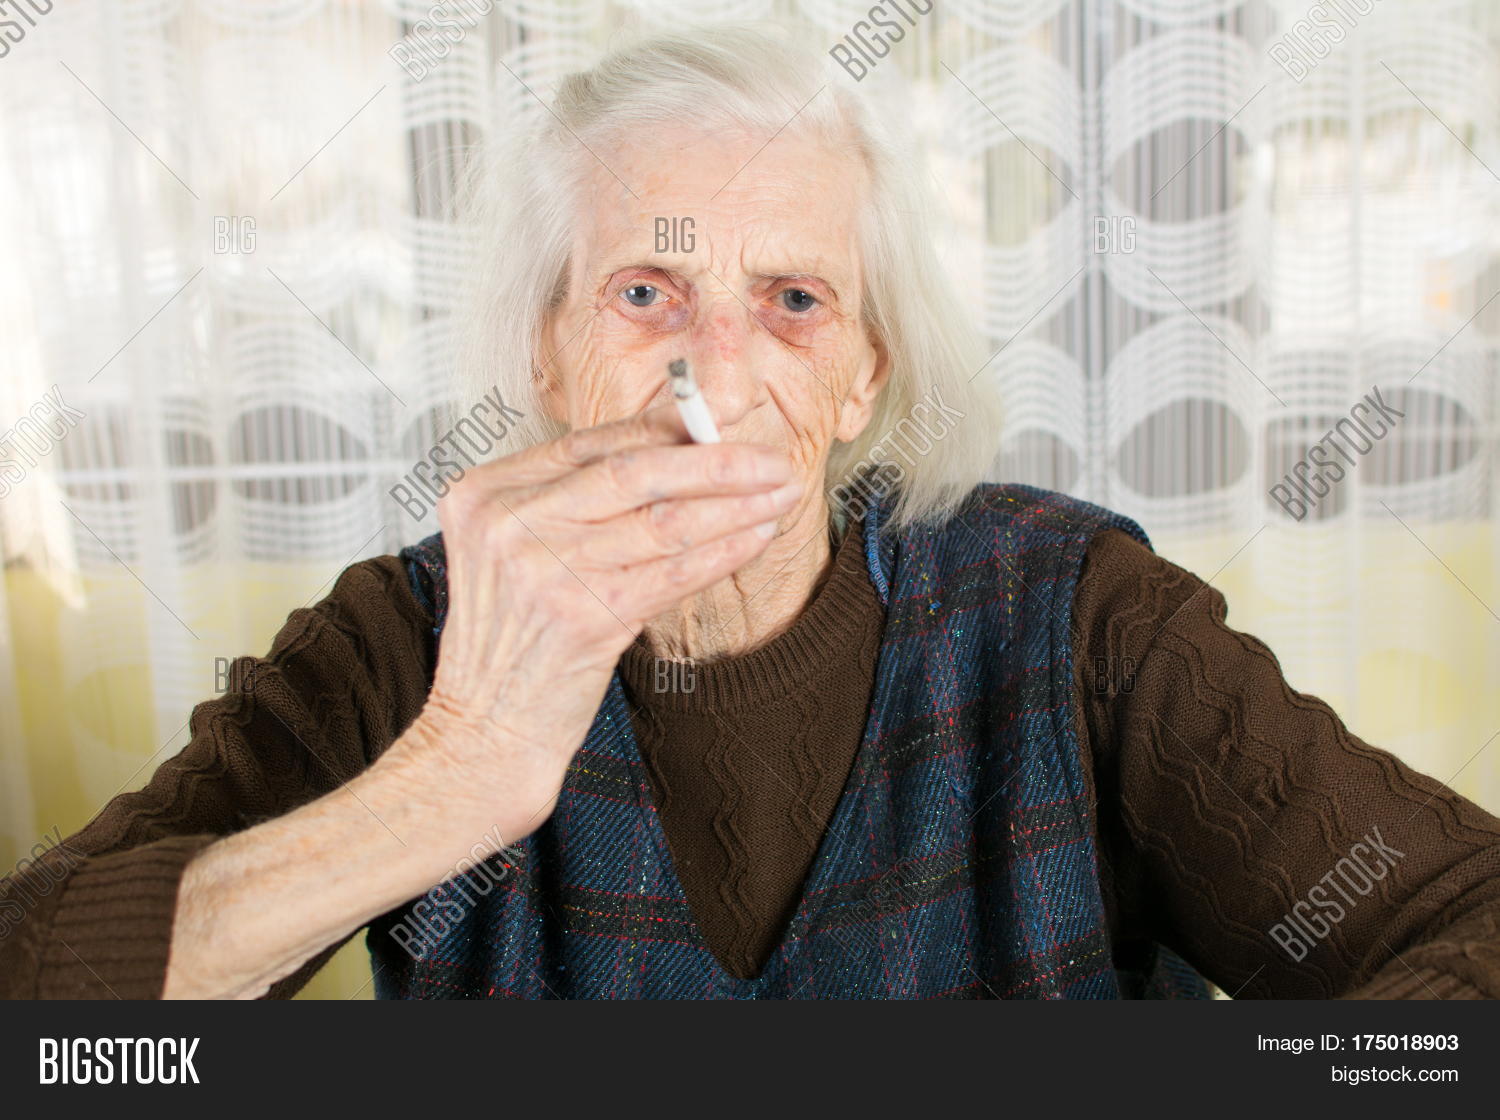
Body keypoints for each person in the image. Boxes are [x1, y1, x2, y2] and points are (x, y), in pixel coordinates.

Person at [3, 25, 1497, 1000]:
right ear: (546, 351)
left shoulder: (1078, 618)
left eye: (792, 301)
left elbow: (1468, 926)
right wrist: (449, 781)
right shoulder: (407, 639)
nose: (712, 370)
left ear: (864, 376)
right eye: (647, 292)